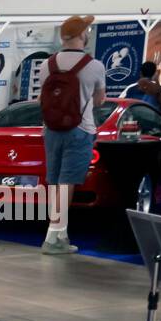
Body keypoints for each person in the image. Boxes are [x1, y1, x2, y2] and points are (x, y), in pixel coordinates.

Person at [36, 14, 106, 256]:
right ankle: (53, 238)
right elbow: (99, 101)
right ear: (82, 35)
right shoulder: (95, 66)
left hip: (51, 129)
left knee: (55, 183)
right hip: (80, 129)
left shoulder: (48, 64)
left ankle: (59, 235)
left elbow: (40, 99)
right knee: (68, 183)